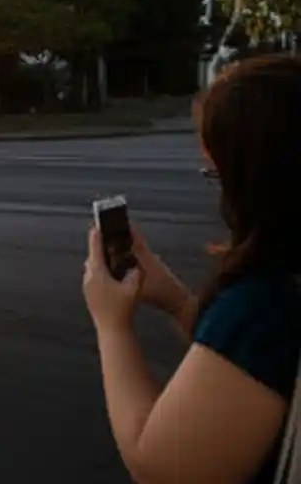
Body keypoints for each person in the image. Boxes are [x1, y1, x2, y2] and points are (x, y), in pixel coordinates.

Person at [83, 54, 301, 484]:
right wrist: (175, 300)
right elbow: (256, 366)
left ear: (254, 179)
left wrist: (112, 326)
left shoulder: (267, 301)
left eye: (217, 173)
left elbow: (162, 467)